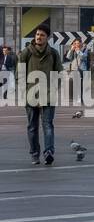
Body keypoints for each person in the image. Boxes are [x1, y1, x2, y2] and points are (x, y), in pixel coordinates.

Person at [19, 27, 59, 165]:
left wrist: (53, 90)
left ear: (47, 37)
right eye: (37, 34)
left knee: (48, 125)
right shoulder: (26, 52)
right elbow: (19, 74)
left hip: (48, 95)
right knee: (32, 126)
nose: (38, 37)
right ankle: (34, 153)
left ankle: (49, 152)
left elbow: (58, 73)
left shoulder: (53, 53)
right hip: (30, 94)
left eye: (42, 35)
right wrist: (25, 92)